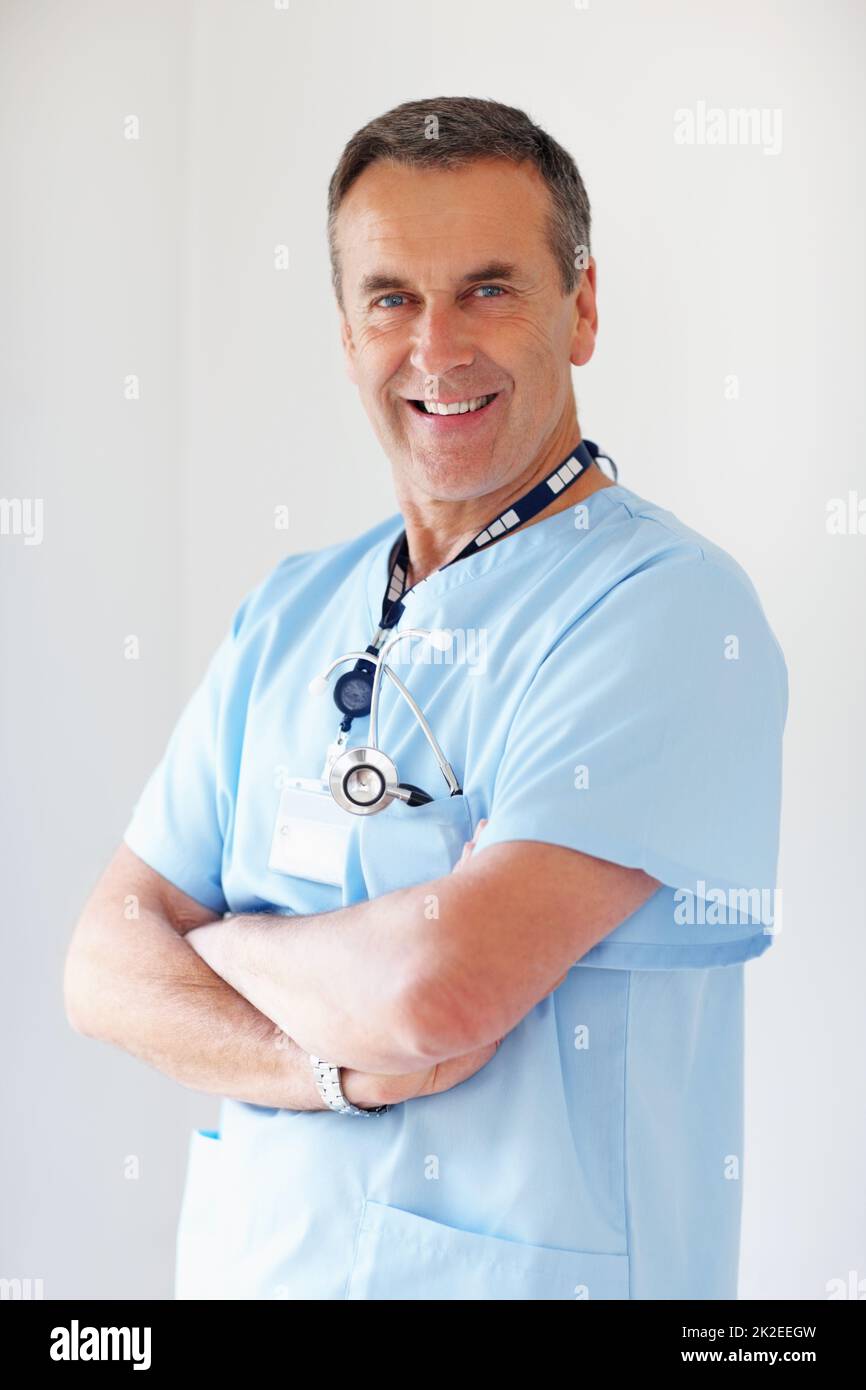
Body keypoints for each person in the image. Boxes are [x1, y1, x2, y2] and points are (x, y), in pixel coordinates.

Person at [64, 95, 788, 1300]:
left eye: (488, 289)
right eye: (392, 296)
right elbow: (101, 967)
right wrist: (329, 1066)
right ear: (347, 332)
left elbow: (433, 991)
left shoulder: (667, 612)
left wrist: (219, 941)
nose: (436, 347)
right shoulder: (290, 612)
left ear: (583, 307)